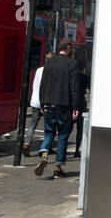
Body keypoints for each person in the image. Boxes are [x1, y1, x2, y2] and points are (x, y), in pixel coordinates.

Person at [34, 41, 81, 179]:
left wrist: (42, 103)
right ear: (67, 48)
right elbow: (74, 87)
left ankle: (44, 154)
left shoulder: (49, 63)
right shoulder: (72, 64)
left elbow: (43, 84)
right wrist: (75, 107)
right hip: (64, 106)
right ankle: (58, 168)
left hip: (48, 104)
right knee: (63, 136)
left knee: (49, 132)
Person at [22, 63, 44, 154]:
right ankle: (45, 148)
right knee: (49, 127)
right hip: (44, 102)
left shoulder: (38, 70)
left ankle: (26, 143)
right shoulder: (49, 71)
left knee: (32, 125)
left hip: (35, 100)